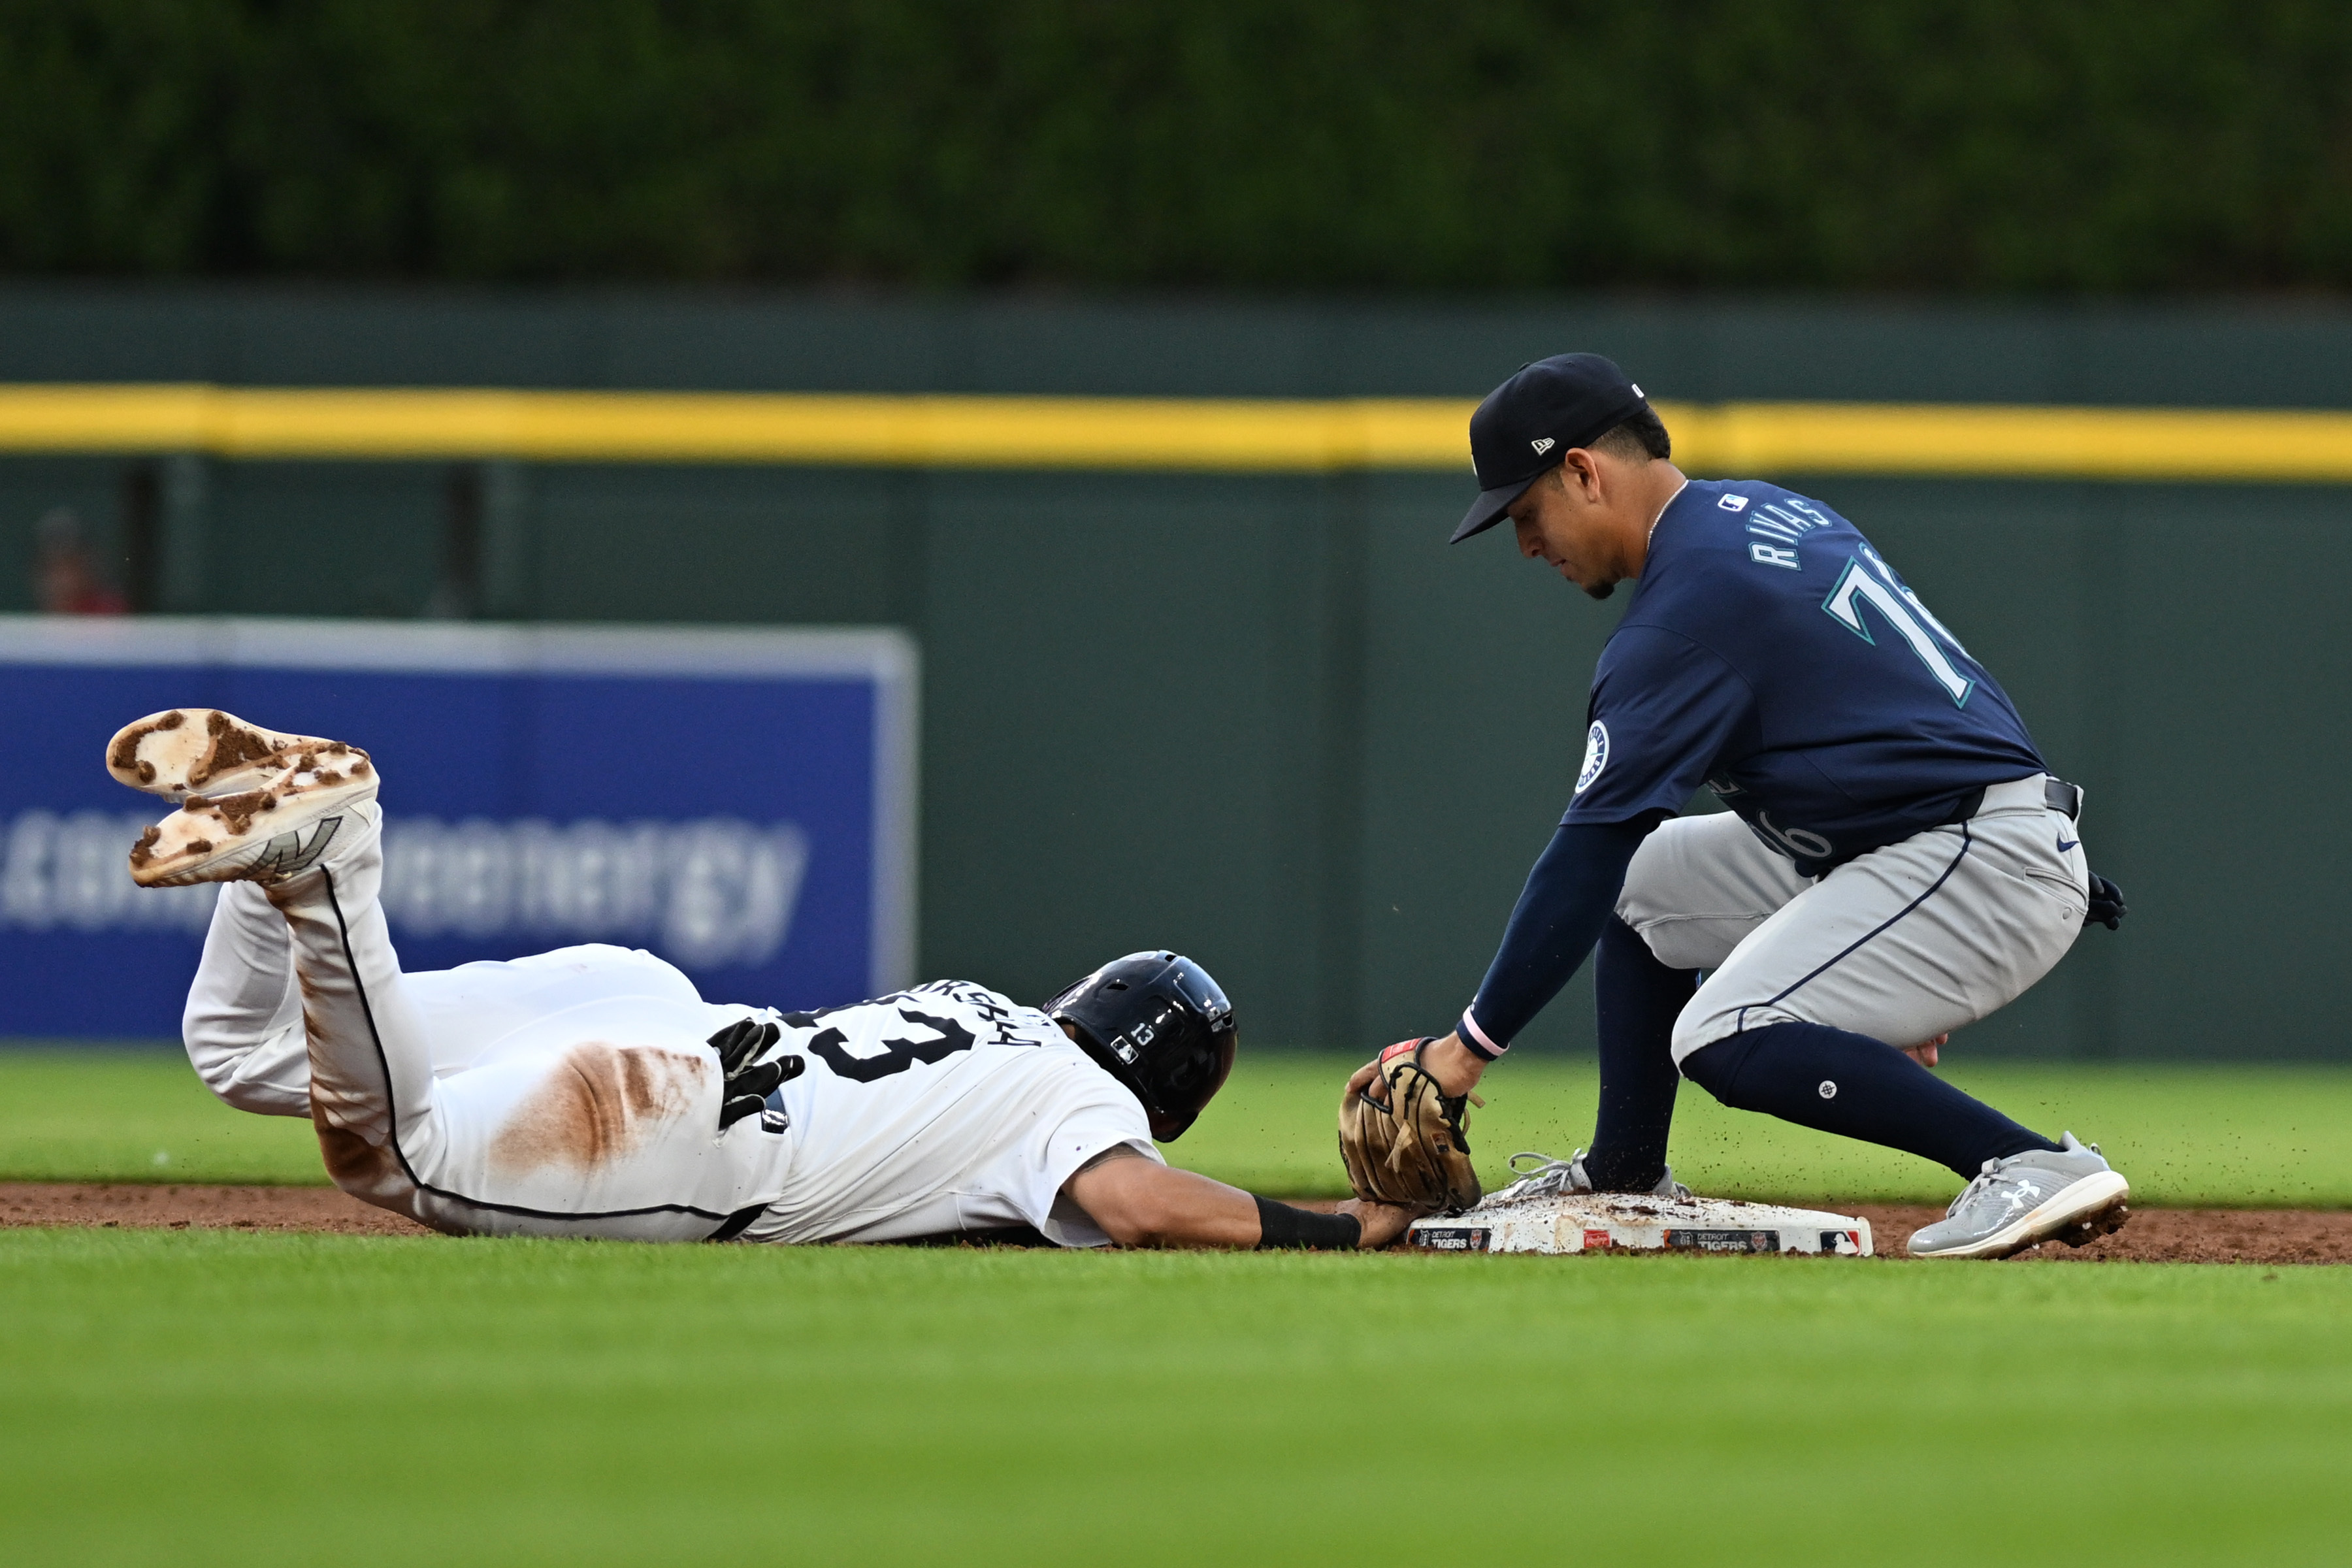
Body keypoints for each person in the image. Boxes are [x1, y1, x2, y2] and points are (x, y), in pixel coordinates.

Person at [111, 707, 1416, 1251]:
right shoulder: (1076, 1107)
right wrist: (1339, 1230)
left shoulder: (989, 1009)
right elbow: (1136, 1204)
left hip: (651, 1005)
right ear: (1164, 1088)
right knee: (388, 1151)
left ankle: (259, 801)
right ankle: (333, 862)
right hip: (680, 1111)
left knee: (243, 1054)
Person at [1347, 355, 2132, 1260]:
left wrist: (1467, 1048)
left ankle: (2022, 1161)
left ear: (1582, 472)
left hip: (1976, 855)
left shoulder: (1686, 614)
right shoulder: (1761, 516)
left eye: (1526, 514)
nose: (1526, 544)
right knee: (1645, 889)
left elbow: (1587, 848)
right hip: (1939, 836)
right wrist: (1885, 951)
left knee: (1723, 1032)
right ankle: (1625, 1169)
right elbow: (1896, 714)